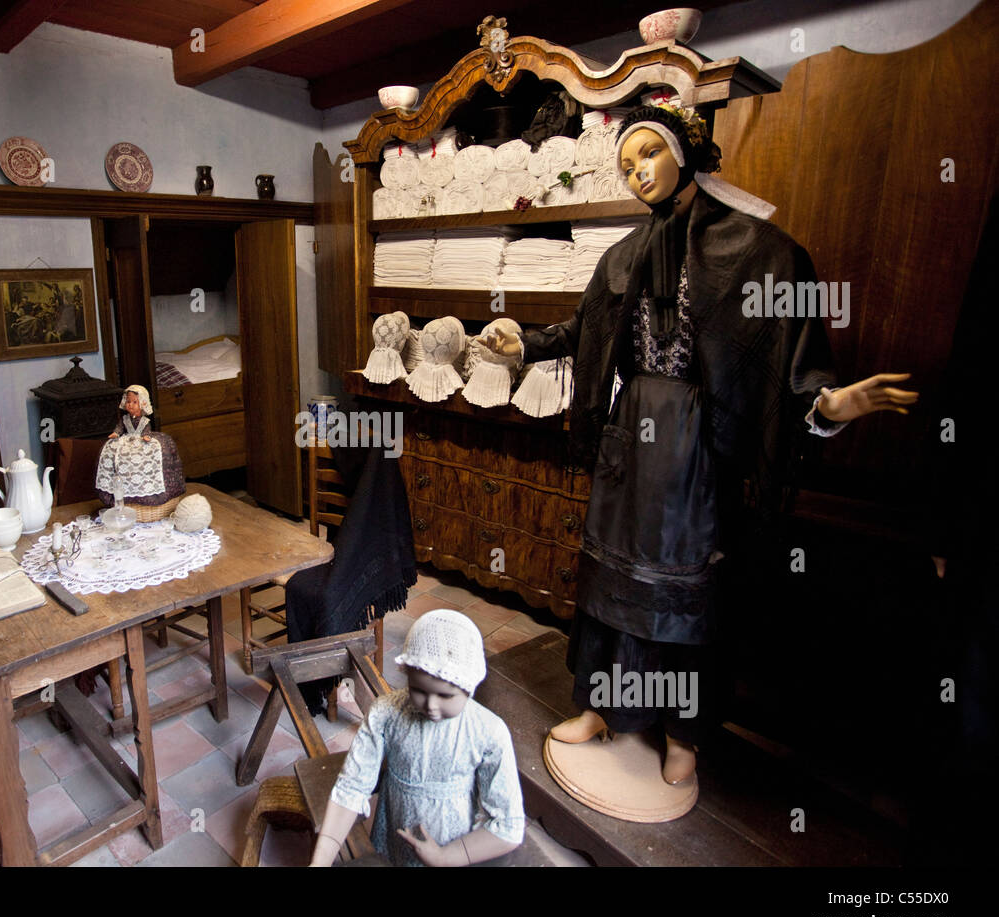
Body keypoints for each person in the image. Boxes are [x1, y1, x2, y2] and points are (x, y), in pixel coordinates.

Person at [481, 105, 918, 785]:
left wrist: (829, 404)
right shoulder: (623, 255)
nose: (637, 171)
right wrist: (525, 344)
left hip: (697, 448)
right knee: (613, 583)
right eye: (626, 163)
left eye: (649, 153)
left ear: (684, 152)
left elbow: (788, 346)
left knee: (688, 593)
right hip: (632, 437)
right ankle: (603, 706)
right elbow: (585, 327)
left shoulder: (757, 249)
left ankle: (683, 729)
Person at [310, 610, 524, 866]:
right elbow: (352, 787)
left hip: (456, 847)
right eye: (418, 690)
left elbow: (508, 826)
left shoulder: (488, 731)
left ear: (469, 686)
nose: (431, 706)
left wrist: (448, 856)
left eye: (446, 696)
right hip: (395, 838)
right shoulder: (385, 714)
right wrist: (321, 859)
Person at [95, 384, 184, 508]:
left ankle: (150, 493)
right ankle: (122, 495)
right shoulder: (125, 418)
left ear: (142, 404)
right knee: (113, 452)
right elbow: (120, 428)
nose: (130, 404)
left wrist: (146, 436)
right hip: (126, 439)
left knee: (151, 454)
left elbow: (146, 430)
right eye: (128, 401)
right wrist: (116, 433)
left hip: (141, 439)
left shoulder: (144, 421)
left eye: (134, 402)